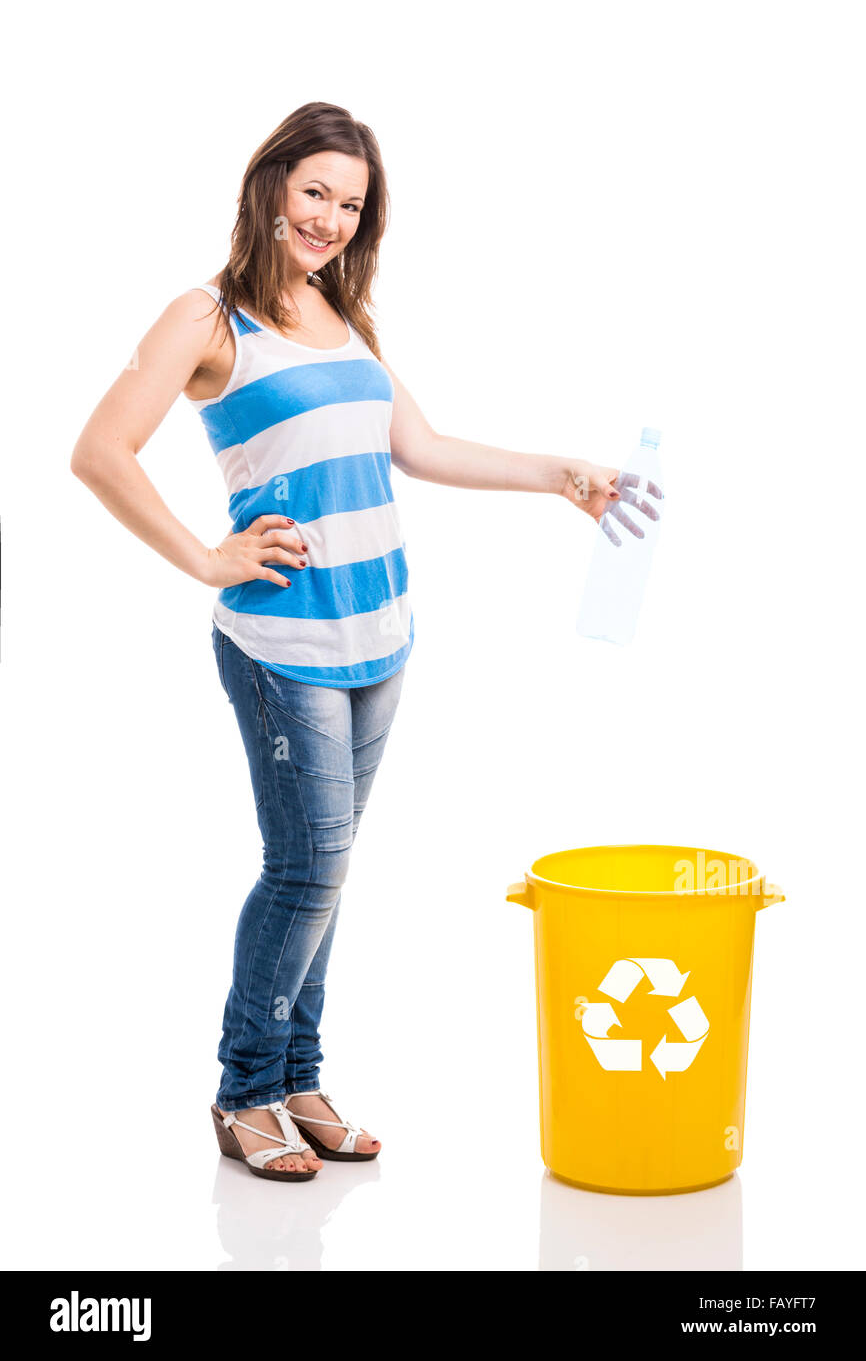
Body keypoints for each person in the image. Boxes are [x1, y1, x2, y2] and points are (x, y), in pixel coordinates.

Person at [71, 100, 657, 1182]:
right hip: (282, 643)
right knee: (308, 867)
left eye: (350, 204)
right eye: (315, 193)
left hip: (380, 637)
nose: (330, 219)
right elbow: (100, 450)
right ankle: (245, 1087)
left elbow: (418, 445)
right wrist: (208, 558)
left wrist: (558, 474)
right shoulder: (206, 320)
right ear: (269, 185)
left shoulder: (342, 318)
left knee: (323, 873)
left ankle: (298, 1074)